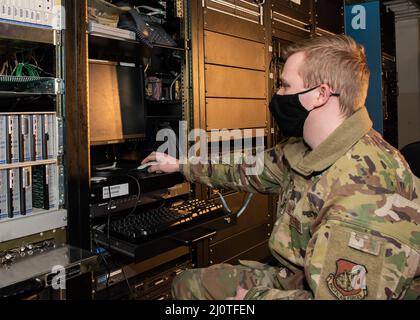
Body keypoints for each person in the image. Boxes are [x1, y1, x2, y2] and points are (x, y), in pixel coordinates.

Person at [141, 35, 420, 300]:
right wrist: (180, 164)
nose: (278, 94)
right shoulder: (308, 148)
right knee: (186, 284)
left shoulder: (366, 195)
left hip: (312, 289)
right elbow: (246, 168)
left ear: (320, 94)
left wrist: (253, 298)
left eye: (285, 86)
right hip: (296, 277)